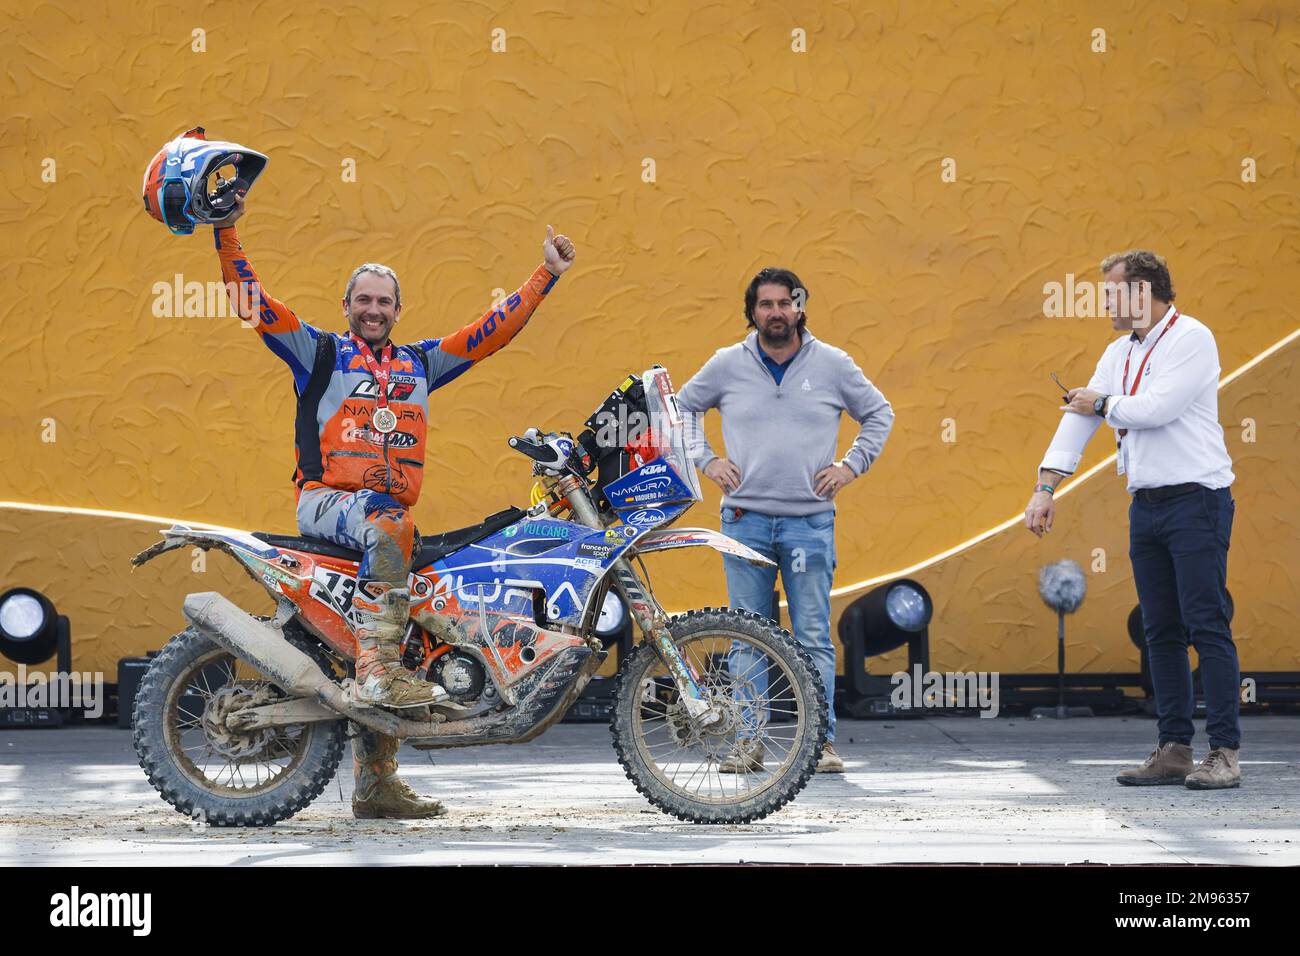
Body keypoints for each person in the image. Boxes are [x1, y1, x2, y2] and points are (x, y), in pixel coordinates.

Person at [214, 192, 575, 816]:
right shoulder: (318, 354)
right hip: (330, 504)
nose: (373, 309)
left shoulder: (421, 364)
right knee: (388, 531)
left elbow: (490, 334)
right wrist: (226, 233)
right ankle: (378, 670)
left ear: (398, 310)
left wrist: (545, 274)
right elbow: (254, 303)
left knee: (407, 621)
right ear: (346, 307)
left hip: (386, 523)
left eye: (384, 301)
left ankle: (377, 783)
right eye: (364, 300)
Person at [1025, 250, 1241, 789]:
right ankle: (1173, 749)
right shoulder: (1118, 351)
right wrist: (1045, 487)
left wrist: (1100, 404)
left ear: (1142, 291)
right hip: (1147, 504)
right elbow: (1081, 417)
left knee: (1206, 623)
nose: (1104, 304)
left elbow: (1156, 407)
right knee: (1160, 629)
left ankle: (1225, 753)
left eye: (1111, 294)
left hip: (1198, 498)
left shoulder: (1192, 337)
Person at [678, 267, 894, 774]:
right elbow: (682, 408)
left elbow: (879, 413)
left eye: (785, 303)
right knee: (746, 636)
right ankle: (748, 743)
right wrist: (706, 460)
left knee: (812, 636)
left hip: (809, 523)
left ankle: (818, 744)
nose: (776, 312)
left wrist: (849, 466)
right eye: (765, 304)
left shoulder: (834, 364)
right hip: (744, 520)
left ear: (800, 307)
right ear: (752, 312)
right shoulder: (727, 364)